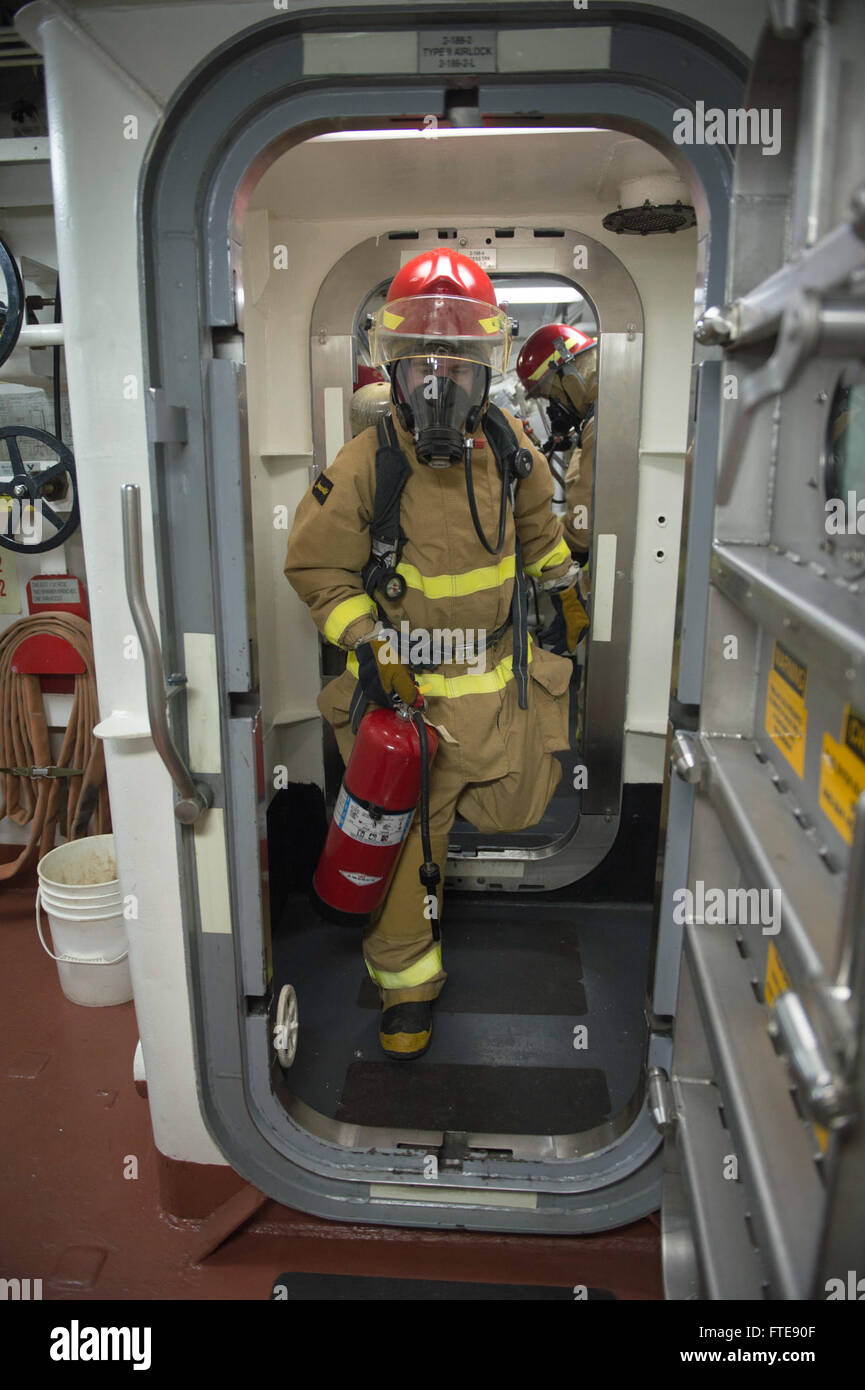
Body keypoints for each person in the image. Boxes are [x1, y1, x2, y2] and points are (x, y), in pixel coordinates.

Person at [284, 250, 588, 1060]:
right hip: (402, 701)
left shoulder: (510, 447)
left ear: (484, 368)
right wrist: (365, 641)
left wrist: (563, 591)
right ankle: (406, 987)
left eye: (456, 364)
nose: (438, 384)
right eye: (423, 361)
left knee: (516, 808)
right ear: (394, 364)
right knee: (410, 852)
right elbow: (316, 569)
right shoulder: (366, 463)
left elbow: (537, 534)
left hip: (495, 689)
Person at [515, 323, 598, 565]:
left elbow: (582, 535)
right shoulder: (597, 420)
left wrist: (537, 539)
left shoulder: (599, 426)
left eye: (552, 396)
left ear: (569, 377)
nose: (554, 409)